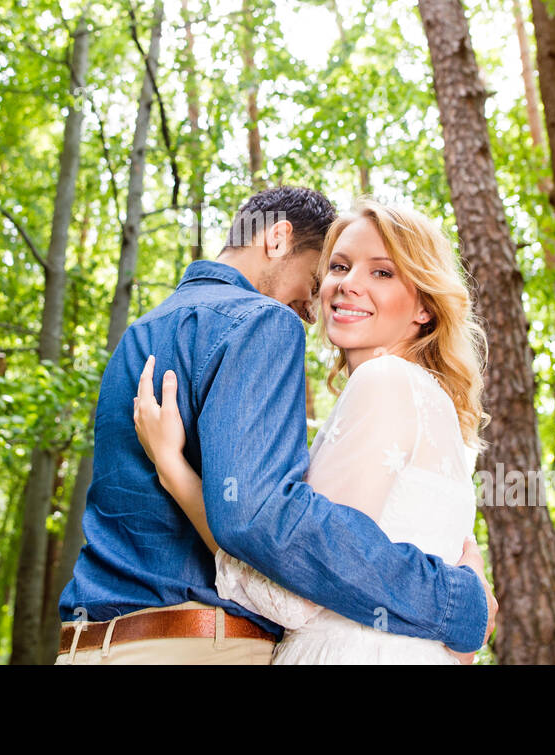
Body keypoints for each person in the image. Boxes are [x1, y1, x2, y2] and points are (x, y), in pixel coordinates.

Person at [56, 186, 495, 664]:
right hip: (196, 647)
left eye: (382, 272)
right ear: (278, 238)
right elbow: (263, 526)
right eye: (330, 270)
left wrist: (173, 467)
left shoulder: (140, 332)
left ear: (424, 306)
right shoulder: (265, 322)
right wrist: (458, 603)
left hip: (92, 642)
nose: (311, 305)